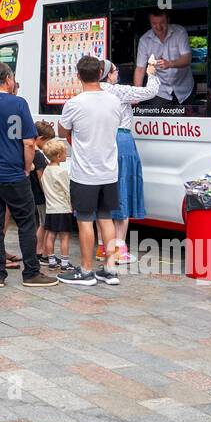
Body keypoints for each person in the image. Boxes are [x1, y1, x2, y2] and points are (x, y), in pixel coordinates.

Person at [0, 62, 58, 288]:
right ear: (8, 79)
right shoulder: (18, 103)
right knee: (27, 223)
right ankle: (31, 272)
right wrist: (26, 167)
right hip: (13, 172)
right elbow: (29, 142)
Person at [55, 55, 125, 287]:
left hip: (85, 172)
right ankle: (110, 269)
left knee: (85, 220)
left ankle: (85, 271)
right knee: (106, 219)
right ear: (100, 75)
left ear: (78, 76)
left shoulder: (74, 104)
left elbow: (62, 130)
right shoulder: (114, 101)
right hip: (109, 170)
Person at [102, 58, 160, 263]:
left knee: (105, 194)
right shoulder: (117, 91)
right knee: (123, 192)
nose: (117, 74)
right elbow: (150, 92)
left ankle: (104, 246)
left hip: (102, 142)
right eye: (115, 70)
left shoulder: (91, 93)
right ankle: (119, 248)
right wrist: (151, 72)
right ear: (108, 75)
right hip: (122, 140)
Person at [133, 9, 194, 106]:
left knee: (189, 120)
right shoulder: (144, 40)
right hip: (160, 90)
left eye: (162, 22)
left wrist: (170, 64)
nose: (158, 27)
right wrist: (137, 95)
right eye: (154, 23)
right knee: (159, 120)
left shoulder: (180, 32)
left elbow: (187, 58)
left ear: (168, 20)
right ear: (150, 22)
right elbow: (140, 68)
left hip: (184, 88)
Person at [39, 139, 74, 269]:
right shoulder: (62, 172)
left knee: (51, 234)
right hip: (62, 208)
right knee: (64, 237)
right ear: (59, 156)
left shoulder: (46, 171)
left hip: (50, 208)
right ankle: (65, 263)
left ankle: (52, 261)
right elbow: (67, 190)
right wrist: (72, 204)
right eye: (65, 153)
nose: (66, 155)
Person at [29, 120, 55, 265]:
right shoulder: (38, 155)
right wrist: (49, 193)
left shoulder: (29, 151)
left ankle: (39, 250)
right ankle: (40, 251)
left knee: (41, 222)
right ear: (40, 139)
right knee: (44, 223)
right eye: (48, 142)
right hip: (41, 194)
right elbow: (41, 177)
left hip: (33, 193)